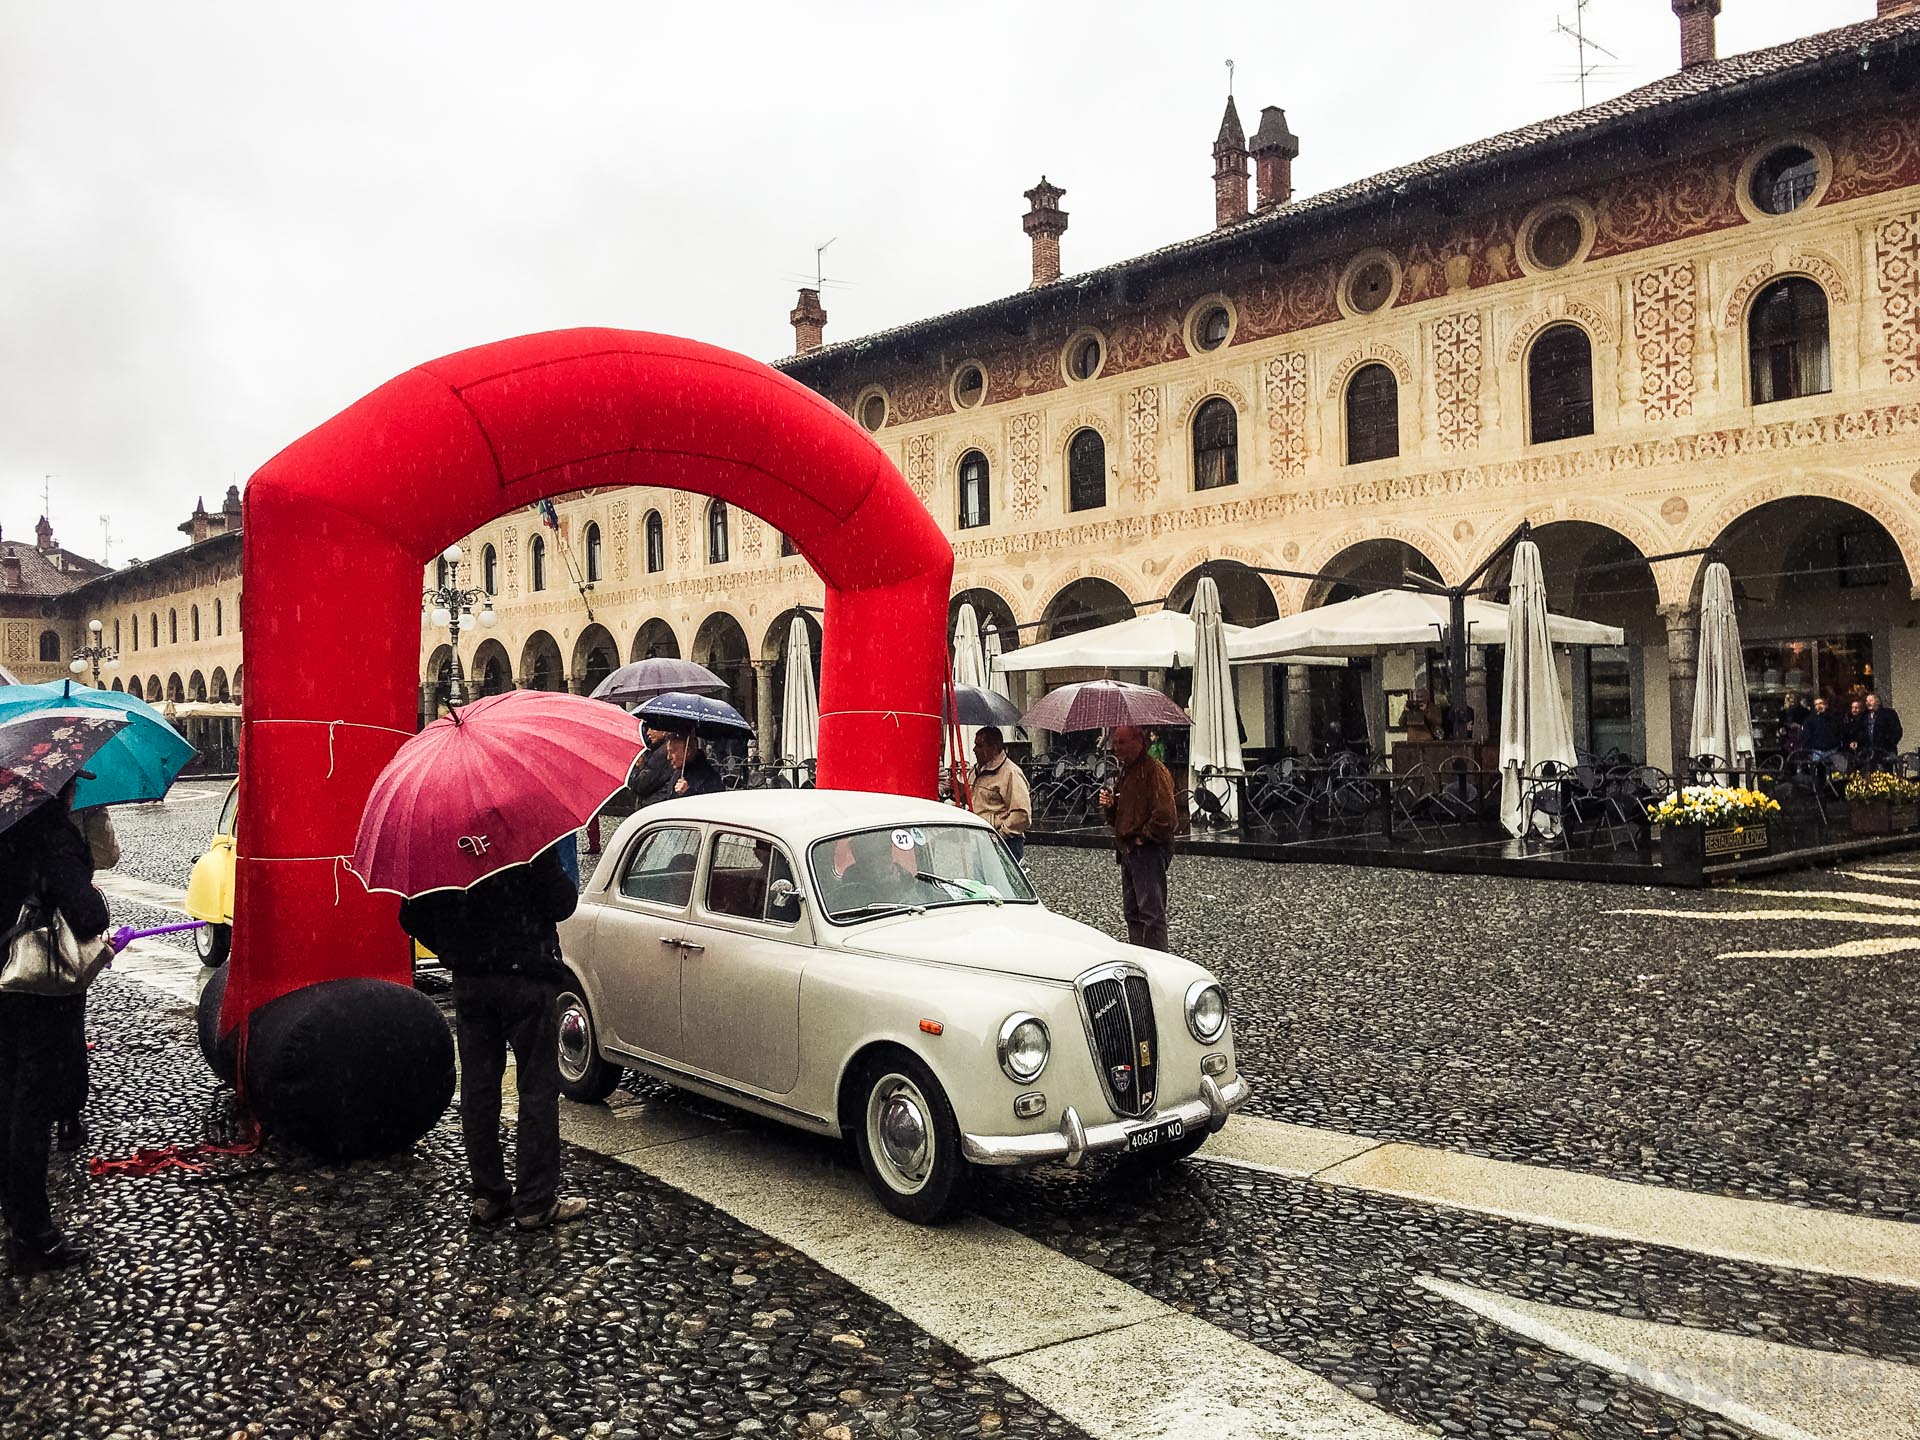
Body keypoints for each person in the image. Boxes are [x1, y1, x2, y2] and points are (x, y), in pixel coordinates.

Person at [397, 844, 587, 1232]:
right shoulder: (526, 836)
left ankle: (488, 1194)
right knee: (536, 1087)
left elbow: (410, 914)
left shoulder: (441, 840)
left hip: (472, 981)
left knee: (479, 1089)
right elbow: (562, 902)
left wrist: (454, 948)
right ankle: (535, 1200)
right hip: (527, 975)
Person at [0, 776, 110, 1273]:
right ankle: (33, 1233)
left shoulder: (6, 824)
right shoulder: (49, 828)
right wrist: (95, 899)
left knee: (5, 1101)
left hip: (0, 979)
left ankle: (17, 1221)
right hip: (37, 993)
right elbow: (86, 917)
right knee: (31, 1109)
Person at [56, 803, 119, 1153]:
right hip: (59, 945)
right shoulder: (61, 830)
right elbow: (106, 856)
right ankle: (67, 1118)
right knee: (66, 1029)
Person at [1098, 724, 1177, 952]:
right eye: (1115, 742)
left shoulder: (1154, 771)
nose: (1116, 748)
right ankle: (1140, 955)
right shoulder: (1125, 772)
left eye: (1121, 742)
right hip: (1128, 850)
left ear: (1138, 742)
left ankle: (1156, 961)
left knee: (1151, 913)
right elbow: (1119, 817)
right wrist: (1110, 806)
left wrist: (1143, 837)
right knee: (1132, 912)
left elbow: (1166, 816)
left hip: (1146, 851)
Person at [969, 727, 1031, 862]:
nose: (974, 750)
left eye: (979, 745)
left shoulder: (1011, 773)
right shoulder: (975, 770)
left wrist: (1001, 834)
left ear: (994, 747)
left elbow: (1022, 814)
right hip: (979, 840)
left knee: (1000, 882)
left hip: (1004, 843)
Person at [831, 829, 925, 912]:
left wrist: (893, 883)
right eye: (869, 858)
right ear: (859, 858)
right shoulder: (851, 878)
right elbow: (847, 909)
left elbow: (917, 904)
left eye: (883, 852)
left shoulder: (903, 876)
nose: (878, 860)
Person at [628, 722, 675, 809]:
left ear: (664, 731)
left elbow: (642, 786)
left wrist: (639, 768)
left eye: (653, 729)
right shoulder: (658, 749)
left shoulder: (661, 754)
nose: (648, 733)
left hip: (653, 805)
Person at [668, 730, 725, 797]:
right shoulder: (679, 771)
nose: (668, 757)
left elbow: (712, 802)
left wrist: (688, 791)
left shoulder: (708, 777)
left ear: (688, 751)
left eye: (672, 752)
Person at [1861, 691, 1904, 761]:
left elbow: (1897, 731)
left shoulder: (1888, 714)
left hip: (1886, 751)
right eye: (1866, 701)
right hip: (1868, 753)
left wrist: (1890, 744)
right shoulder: (1864, 717)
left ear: (1877, 701)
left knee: (1886, 771)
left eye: (1871, 700)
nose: (1868, 703)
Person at [1802, 694, 1845, 762]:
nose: (1819, 706)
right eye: (1816, 704)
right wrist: (1808, 752)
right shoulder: (1809, 720)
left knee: (1838, 771)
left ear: (1826, 705)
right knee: (1817, 771)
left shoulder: (1834, 719)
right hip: (1816, 752)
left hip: (1833, 751)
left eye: (1821, 703)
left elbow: (1840, 733)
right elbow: (1806, 737)